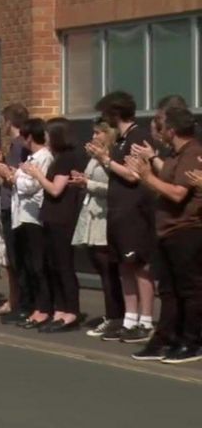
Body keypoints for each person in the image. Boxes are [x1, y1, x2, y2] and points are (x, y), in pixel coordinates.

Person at [128, 106, 202, 364]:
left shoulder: (193, 153)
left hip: (185, 230)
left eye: (161, 126)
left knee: (189, 290)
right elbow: (170, 178)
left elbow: (178, 193)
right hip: (167, 231)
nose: (159, 131)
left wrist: (147, 177)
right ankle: (167, 337)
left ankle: (192, 341)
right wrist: (150, 166)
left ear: (172, 129)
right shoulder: (175, 154)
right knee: (169, 290)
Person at [87, 91, 156, 343]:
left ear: (115, 113)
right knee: (123, 267)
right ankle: (129, 318)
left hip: (134, 212)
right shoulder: (121, 141)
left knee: (139, 266)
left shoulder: (138, 137)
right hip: (117, 212)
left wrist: (105, 160)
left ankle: (146, 320)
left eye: (107, 115)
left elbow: (133, 175)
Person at [22, 118, 84, 332]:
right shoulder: (58, 158)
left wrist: (37, 174)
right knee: (53, 265)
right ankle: (59, 308)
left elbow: (56, 189)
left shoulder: (67, 158)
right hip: (51, 216)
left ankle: (71, 311)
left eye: (48, 133)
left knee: (64, 265)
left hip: (62, 217)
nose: (45, 137)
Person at [72, 119, 124, 338]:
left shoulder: (112, 157)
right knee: (100, 267)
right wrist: (83, 177)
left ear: (108, 135)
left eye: (98, 133)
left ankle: (116, 316)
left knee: (108, 269)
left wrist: (89, 184)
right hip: (91, 214)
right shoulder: (96, 156)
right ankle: (112, 314)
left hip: (104, 216)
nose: (93, 137)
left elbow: (113, 186)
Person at [0, 103, 32, 322]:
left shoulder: (18, 146)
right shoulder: (17, 145)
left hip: (12, 205)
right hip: (11, 204)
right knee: (16, 258)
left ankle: (23, 304)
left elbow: (12, 180)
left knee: (18, 259)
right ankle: (20, 302)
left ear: (9, 122)